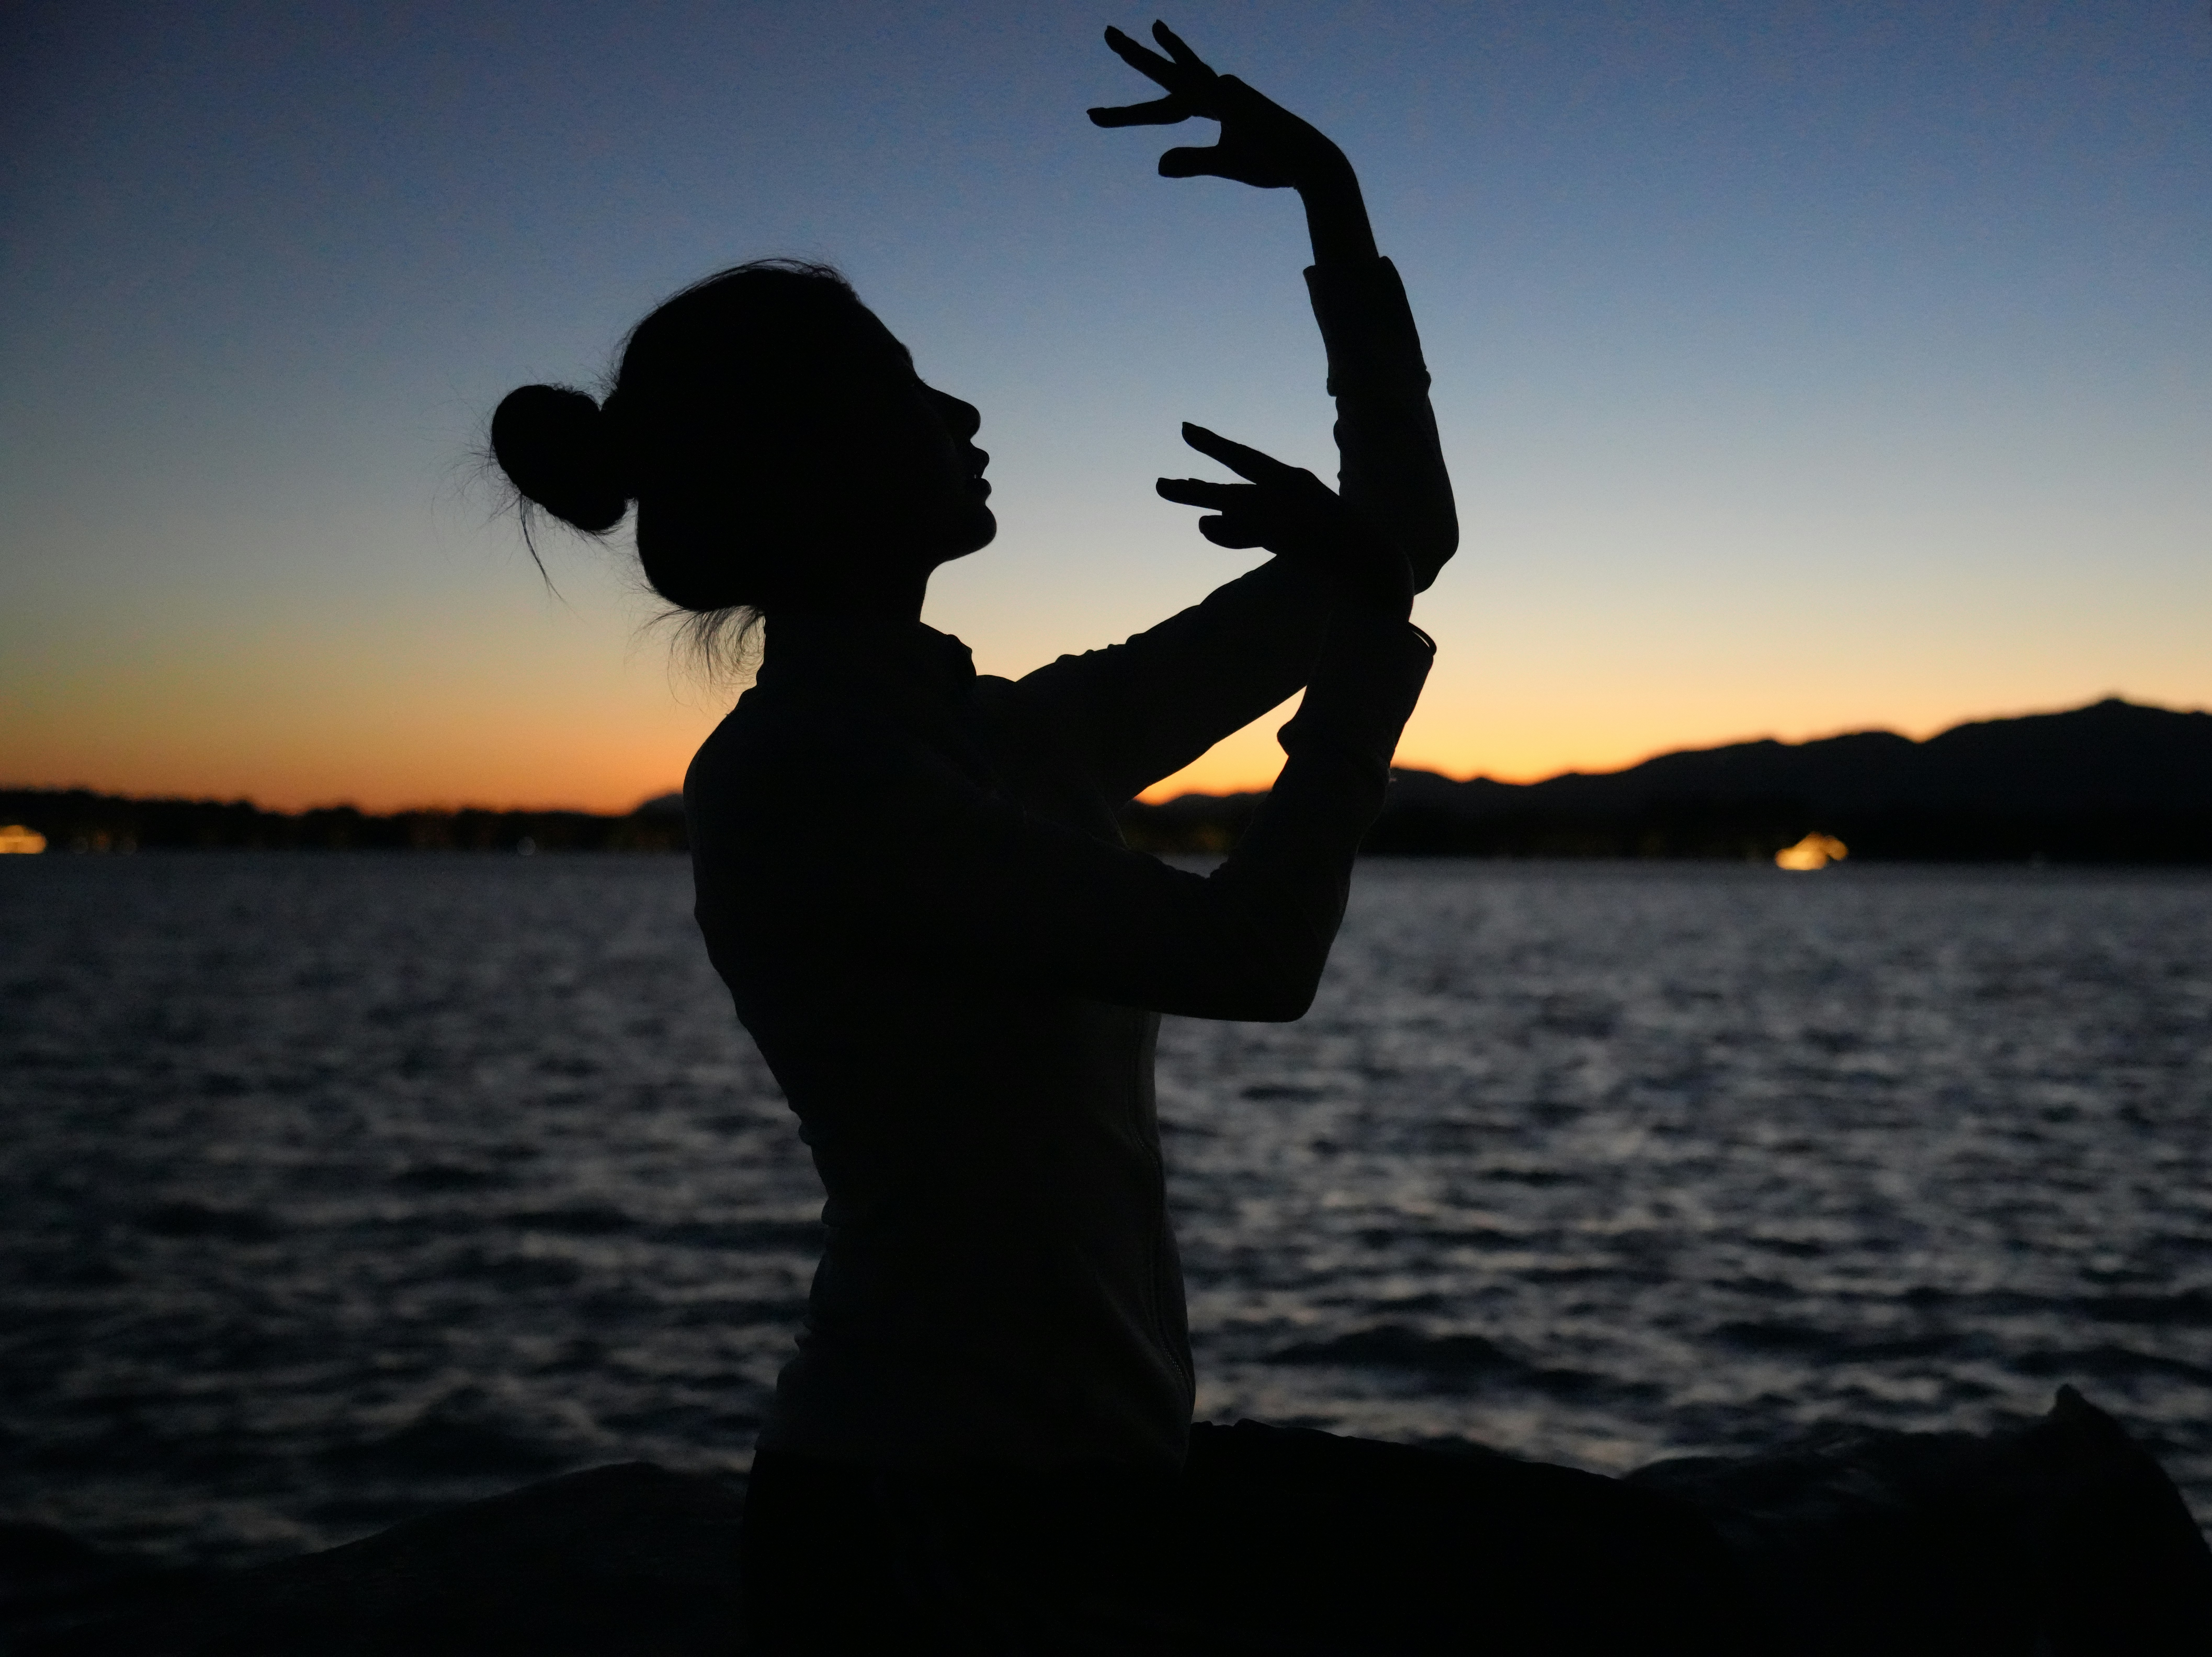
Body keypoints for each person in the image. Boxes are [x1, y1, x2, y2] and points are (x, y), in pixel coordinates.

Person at [491, 22, 1749, 1654]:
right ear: (806, 463)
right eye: (896, 386)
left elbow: (1404, 543)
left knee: (1652, 1575)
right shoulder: (802, 776)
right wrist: (1363, 655)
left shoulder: (1009, 734)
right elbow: (1256, 957)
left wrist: (1331, 207)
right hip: (925, 1525)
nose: (956, 403)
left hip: (1086, 1483)